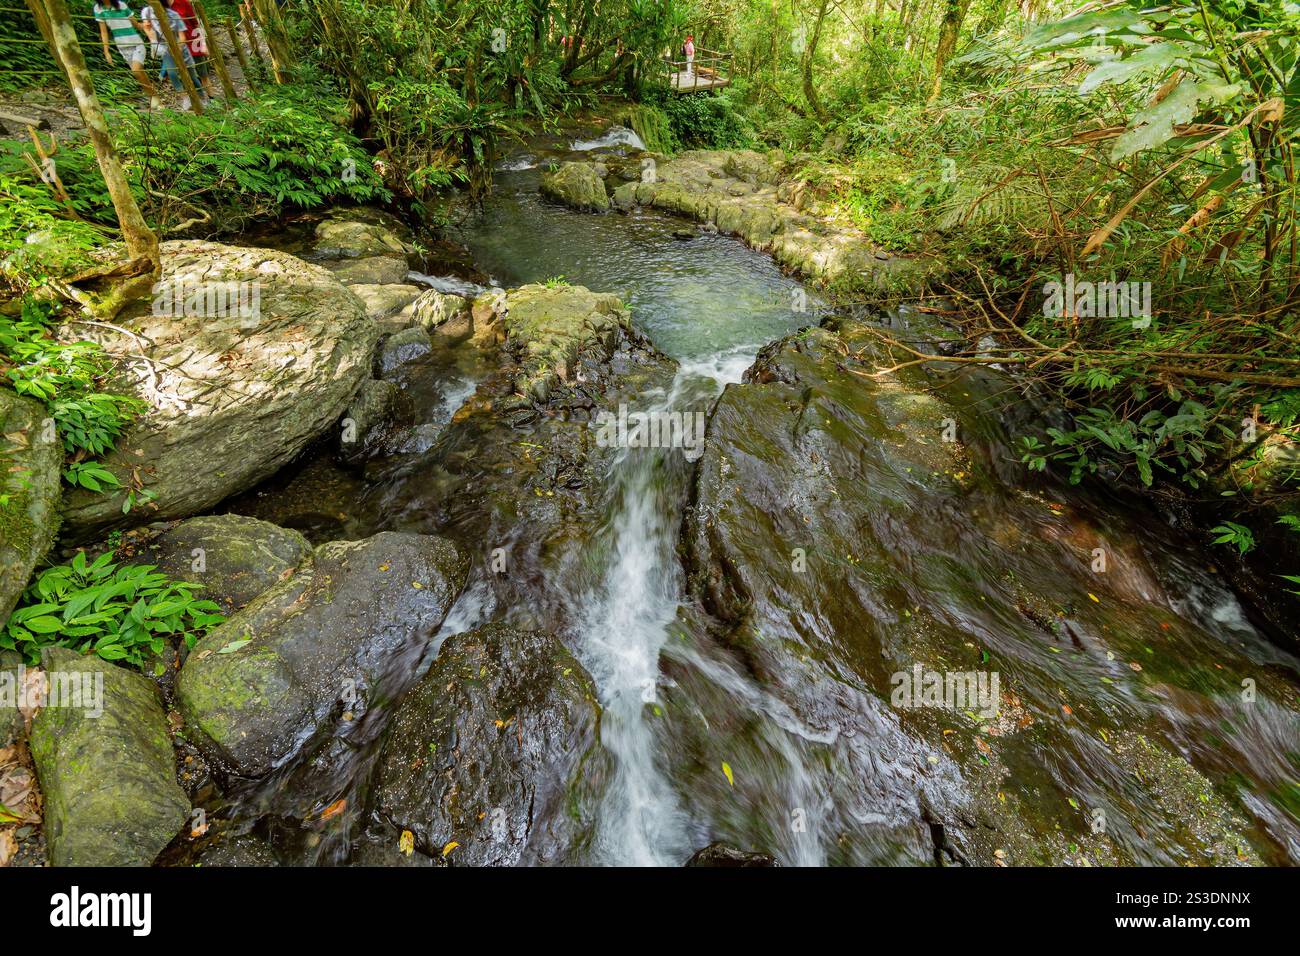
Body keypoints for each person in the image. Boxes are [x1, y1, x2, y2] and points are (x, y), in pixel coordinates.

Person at [92, 0, 158, 109]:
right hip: (122, 47)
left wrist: (149, 25)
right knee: (139, 74)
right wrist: (106, 51)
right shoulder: (98, 8)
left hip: (136, 43)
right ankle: (154, 97)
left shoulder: (121, 5)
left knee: (136, 71)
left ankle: (154, 97)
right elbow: (103, 32)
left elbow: (136, 25)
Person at [139, 0, 202, 110]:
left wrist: (177, 49)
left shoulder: (173, 14)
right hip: (165, 49)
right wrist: (153, 39)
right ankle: (185, 99)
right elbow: (146, 27)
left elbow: (182, 37)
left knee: (192, 76)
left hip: (181, 49)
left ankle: (202, 98)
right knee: (172, 74)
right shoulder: (147, 12)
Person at [167, 0, 215, 101]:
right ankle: (196, 102)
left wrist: (203, 44)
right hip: (177, 48)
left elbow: (196, 25)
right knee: (187, 77)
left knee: (203, 74)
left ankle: (212, 100)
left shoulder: (183, 3)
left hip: (193, 44)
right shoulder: (160, 7)